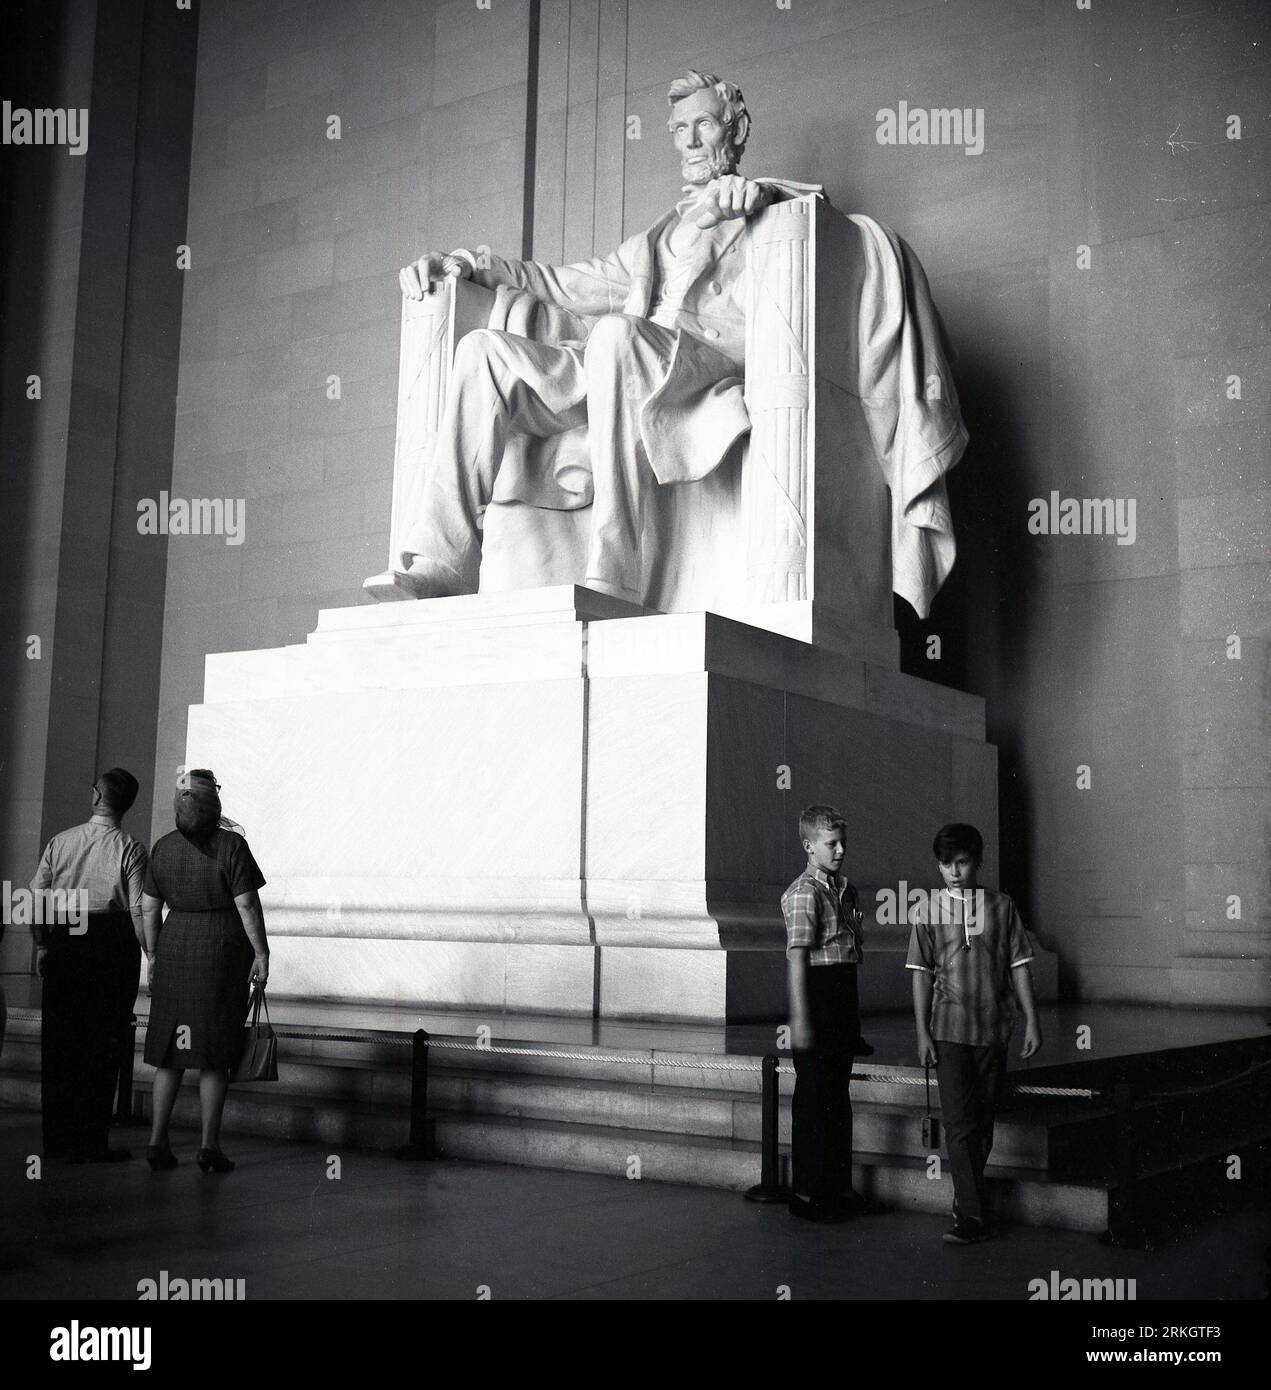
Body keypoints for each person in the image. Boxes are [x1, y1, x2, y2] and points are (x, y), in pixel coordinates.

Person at [394, 69, 823, 604]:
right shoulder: (657, 239)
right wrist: (464, 263)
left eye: (705, 124)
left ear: (734, 133)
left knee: (616, 338)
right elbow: (562, 282)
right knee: (482, 352)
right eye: (679, 128)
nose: (689, 141)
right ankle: (445, 559)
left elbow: (816, 230)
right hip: (620, 361)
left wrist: (756, 199)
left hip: (698, 366)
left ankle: (615, 565)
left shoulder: (770, 209)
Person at [905, 823, 1043, 1244]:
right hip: (947, 1030)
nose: (953, 871)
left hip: (994, 1029)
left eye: (962, 862)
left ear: (979, 860)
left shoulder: (1001, 907)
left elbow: (1019, 965)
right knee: (959, 1124)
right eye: (945, 864)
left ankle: (968, 1201)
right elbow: (919, 974)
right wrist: (922, 1033)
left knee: (982, 1123)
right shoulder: (926, 910)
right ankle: (972, 1216)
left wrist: (1032, 1020)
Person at [142, 770, 269, 1173]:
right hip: (220, 947)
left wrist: (153, 952)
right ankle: (209, 1146)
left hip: (175, 942)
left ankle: (157, 1141)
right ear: (213, 803)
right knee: (214, 1055)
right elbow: (247, 905)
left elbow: (147, 907)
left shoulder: (162, 847)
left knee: (170, 1054)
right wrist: (261, 952)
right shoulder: (232, 845)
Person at [31, 768, 147, 1162]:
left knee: (60, 1044)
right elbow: (137, 912)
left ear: (97, 796)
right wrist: (152, 956)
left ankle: (57, 1141)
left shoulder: (61, 842)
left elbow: (36, 897)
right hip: (111, 944)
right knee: (103, 1044)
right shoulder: (130, 848)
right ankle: (91, 1141)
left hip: (65, 939)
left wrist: (42, 944)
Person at [782, 805, 883, 1223]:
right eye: (831, 843)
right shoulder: (805, 892)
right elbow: (797, 959)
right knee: (813, 1102)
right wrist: (801, 1019)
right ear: (809, 846)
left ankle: (838, 1187)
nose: (840, 849)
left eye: (843, 841)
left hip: (842, 996)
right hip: (818, 997)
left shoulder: (846, 889)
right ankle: (808, 1193)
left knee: (838, 1101)